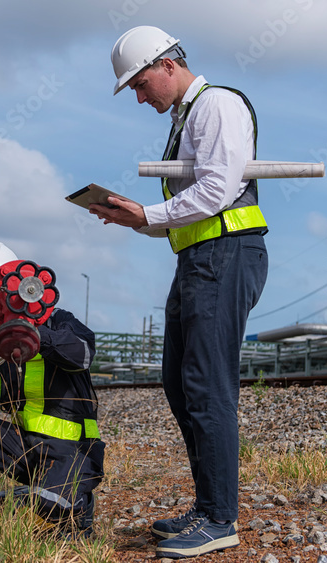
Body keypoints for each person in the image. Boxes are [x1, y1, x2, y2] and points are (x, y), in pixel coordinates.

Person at [90, 26, 269, 558]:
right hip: (198, 258)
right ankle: (208, 505)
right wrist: (136, 220)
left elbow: (217, 190)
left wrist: (148, 214)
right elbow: (187, 210)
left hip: (226, 254)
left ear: (168, 64)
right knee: (178, 381)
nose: (141, 98)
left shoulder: (216, 106)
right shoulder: (186, 117)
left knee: (207, 385)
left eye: (142, 84)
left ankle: (219, 517)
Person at [0, 242, 105, 540]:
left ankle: (76, 503)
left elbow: (84, 354)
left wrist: (31, 333)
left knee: (51, 505)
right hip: (26, 449)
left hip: (73, 449)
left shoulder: (59, 321)